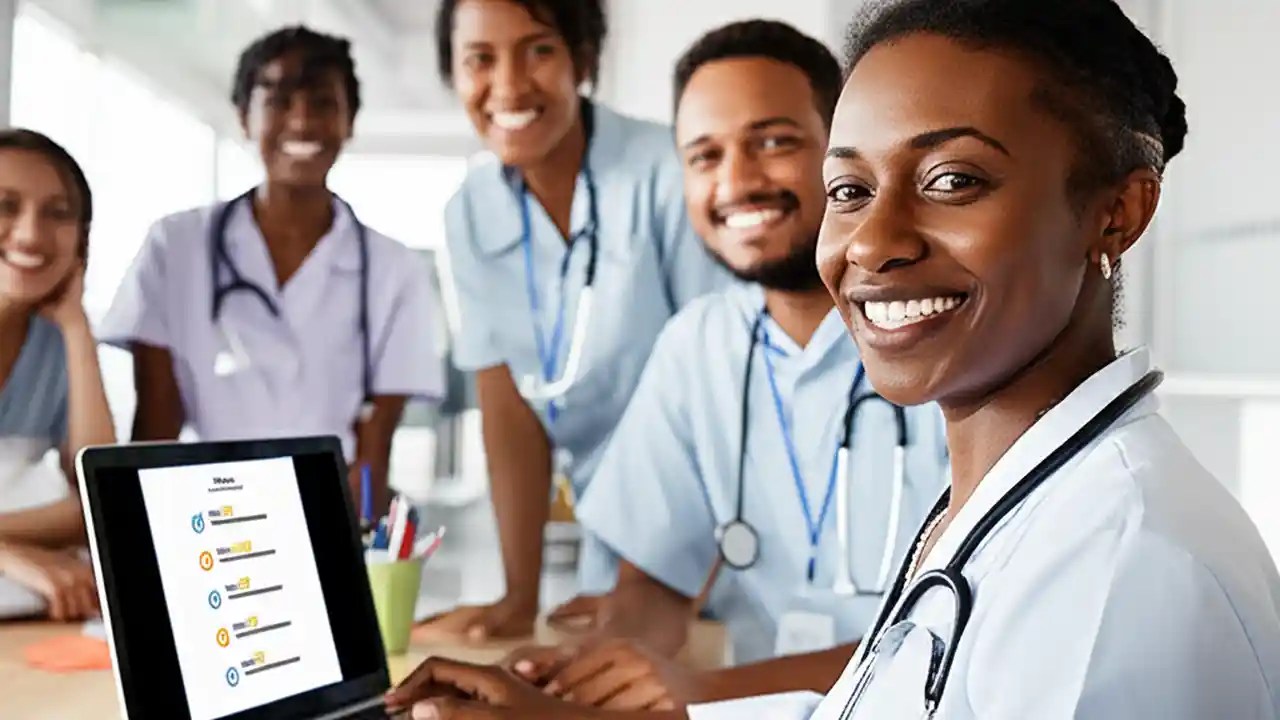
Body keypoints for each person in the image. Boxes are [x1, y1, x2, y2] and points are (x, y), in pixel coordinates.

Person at [381, 0, 1280, 718]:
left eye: (953, 180)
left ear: (1117, 214)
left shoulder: (1130, 570)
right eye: (850, 189)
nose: (874, 241)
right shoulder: (999, 494)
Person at [497, 20, 949, 711]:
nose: (737, 182)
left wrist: (702, 691)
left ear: (847, 152)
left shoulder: (939, 334)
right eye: (705, 155)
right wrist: (589, 673)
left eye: (774, 143)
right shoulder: (699, 346)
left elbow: (953, 636)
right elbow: (655, 586)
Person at [416, 0, 729, 641]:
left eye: (538, 50)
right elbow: (508, 410)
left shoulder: (666, 171)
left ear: (582, 60)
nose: (508, 86)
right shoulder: (469, 212)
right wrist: (518, 598)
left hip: (723, 535)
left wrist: (670, 586)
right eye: (479, 59)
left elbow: (722, 385)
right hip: (613, 542)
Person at [99, 26, 443, 516]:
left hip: (329, 509)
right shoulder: (176, 246)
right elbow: (155, 430)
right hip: (205, 509)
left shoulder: (393, 270)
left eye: (323, 103)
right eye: (279, 101)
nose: (301, 121)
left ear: (349, 121)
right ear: (244, 117)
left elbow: (373, 454)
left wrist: (352, 533)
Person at [0, 128, 114, 621]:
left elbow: (101, 498)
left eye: (58, 213)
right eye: (5, 206)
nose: (30, 234)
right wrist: (9, 552)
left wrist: (76, 324)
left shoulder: (54, 342)